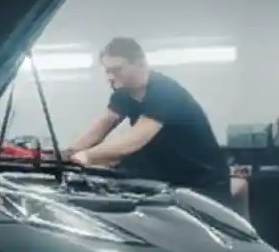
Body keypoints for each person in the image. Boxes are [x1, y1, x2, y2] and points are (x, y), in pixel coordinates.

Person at [68, 36, 233, 206]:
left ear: (140, 63)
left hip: (205, 185)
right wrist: (68, 155)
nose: (110, 76)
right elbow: (101, 125)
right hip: (169, 180)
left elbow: (136, 138)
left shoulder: (163, 91)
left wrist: (87, 156)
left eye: (116, 69)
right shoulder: (124, 93)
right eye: (107, 71)